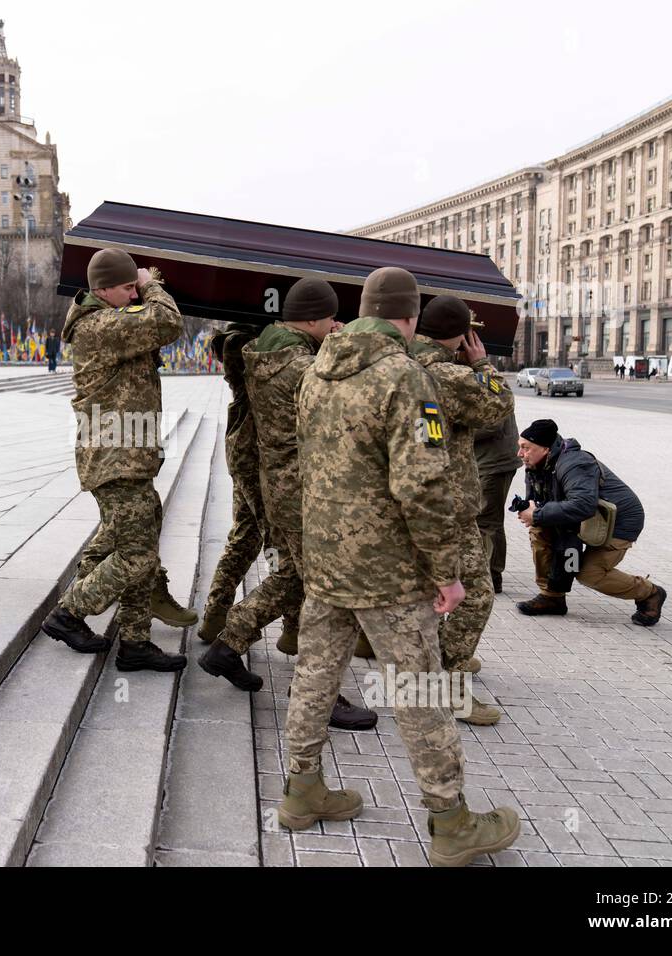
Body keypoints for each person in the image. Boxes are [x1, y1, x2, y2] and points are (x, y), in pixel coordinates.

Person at [278, 266, 519, 867]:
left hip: (328, 559)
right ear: (408, 317)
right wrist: (446, 571)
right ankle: (451, 821)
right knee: (419, 690)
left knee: (315, 673)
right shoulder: (404, 377)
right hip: (388, 571)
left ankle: (301, 791)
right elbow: (424, 484)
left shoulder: (317, 371)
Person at [198, 278, 376, 730]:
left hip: (278, 486)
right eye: (332, 317)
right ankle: (320, 692)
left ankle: (229, 642)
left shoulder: (263, 353)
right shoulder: (304, 367)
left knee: (295, 576)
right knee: (323, 590)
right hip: (308, 492)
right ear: (314, 318)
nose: (337, 324)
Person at [40, 248, 194, 672]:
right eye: (128, 288)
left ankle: (135, 642)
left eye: (135, 287)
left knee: (129, 541)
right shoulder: (101, 326)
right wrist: (152, 284)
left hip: (127, 457)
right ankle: (68, 613)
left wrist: (143, 286)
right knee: (138, 555)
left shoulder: (113, 319)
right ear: (104, 289)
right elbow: (167, 322)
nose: (134, 294)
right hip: (114, 459)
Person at [409, 296, 515, 724]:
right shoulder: (450, 374)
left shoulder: (401, 361)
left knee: (421, 594)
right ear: (462, 334)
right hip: (448, 505)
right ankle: (448, 685)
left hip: (407, 499)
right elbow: (500, 404)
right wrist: (482, 364)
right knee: (476, 596)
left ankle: (424, 669)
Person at [199, 322, 300, 650]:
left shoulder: (240, 349)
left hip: (245, 455)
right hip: (257, 459)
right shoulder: (251, 352)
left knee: (246, 537)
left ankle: (216, 612)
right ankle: (291, 622)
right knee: (276, 546)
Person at [515, 418, 666, 626]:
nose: (520, 454)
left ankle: (650, 593)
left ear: (545, 448)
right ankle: (552, 597)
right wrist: (530, 510)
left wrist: (538, 514)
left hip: (618, 522)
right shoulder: (536, 464)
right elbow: (539, 503)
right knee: (539, 530)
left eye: (525, 448)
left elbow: (582, 505)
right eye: (519, 447)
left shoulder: (575, 463)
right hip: (584, 521)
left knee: (589, 574)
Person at [475, 410, 520, 595]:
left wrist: (450, 427)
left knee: (488, 521)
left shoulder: (486, 382)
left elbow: (493, 420)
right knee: (486, 518)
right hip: (484, 460)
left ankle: (492, 576)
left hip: (493, 462)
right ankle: (487, 572)